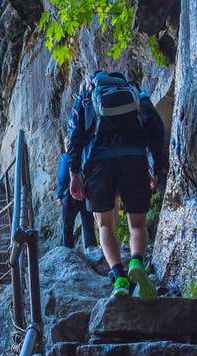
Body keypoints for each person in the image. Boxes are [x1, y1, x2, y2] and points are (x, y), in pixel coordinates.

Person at [67, 70, 165, 299]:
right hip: (134, 159)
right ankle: (137, 262)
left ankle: (119, 277)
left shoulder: (86, 99)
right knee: (137, 224)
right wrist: (155, 166)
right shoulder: (137, 95)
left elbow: (74, 136)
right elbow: (156, 128)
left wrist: (74, 173)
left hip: (98, 164)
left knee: (105, 226)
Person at [57, 137, 101, 261]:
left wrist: (60, 194)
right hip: (86, 192)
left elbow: (63, 176)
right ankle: (90, 250)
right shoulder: (86, 153)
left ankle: (68, 252)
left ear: (67, 146)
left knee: (67, 224)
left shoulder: (66, 157)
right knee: (87, 221)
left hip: (71, 193)